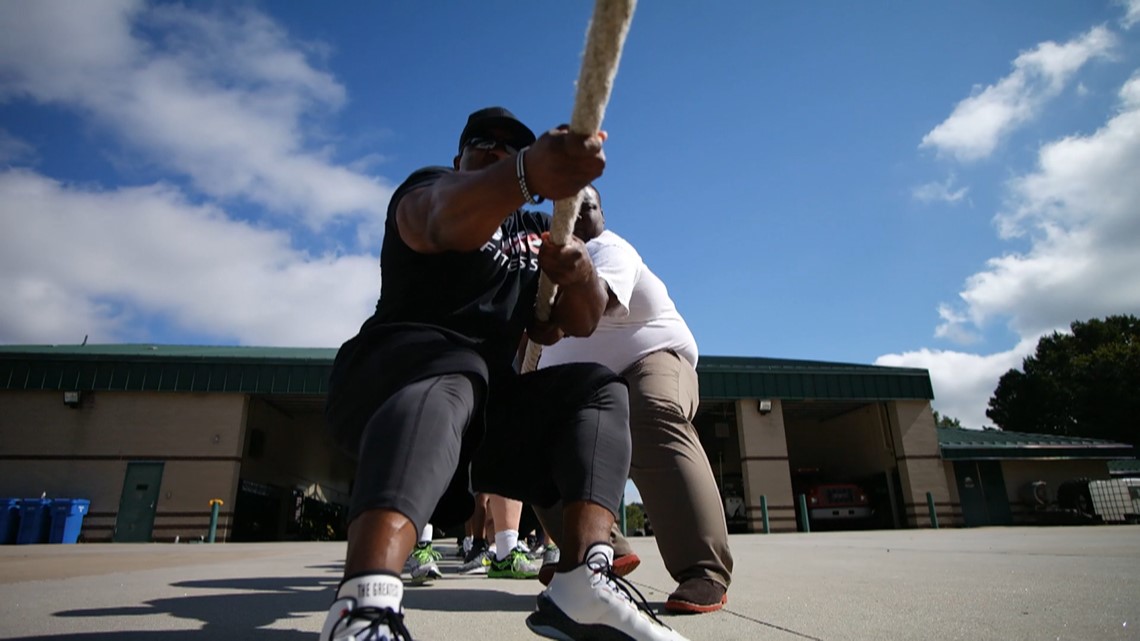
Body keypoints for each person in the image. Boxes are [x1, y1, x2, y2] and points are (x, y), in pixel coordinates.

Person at [320, 107, 689, 641]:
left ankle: (584, 582)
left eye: (508, 147)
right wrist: (526, 173)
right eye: (481, 143)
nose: (494, 150)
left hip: (484, 414)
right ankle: (363, 605)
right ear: (458, 157)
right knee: (459, 368)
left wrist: (580, 270)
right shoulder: (432, 188)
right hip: (390, 383)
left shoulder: (539, 231)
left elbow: (575, 324)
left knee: (597, 389)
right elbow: (437, 220)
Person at [536, 184, 734, 614]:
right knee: (532, 436)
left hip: (652, 360)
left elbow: (596, 303)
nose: (575, 217)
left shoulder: (608, 250)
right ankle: (593, 550)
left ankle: (703, 569)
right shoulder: (537, 281)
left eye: (584, 207)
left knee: (646, 412)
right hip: (587, 387)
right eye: (564, 211)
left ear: (601, 214)